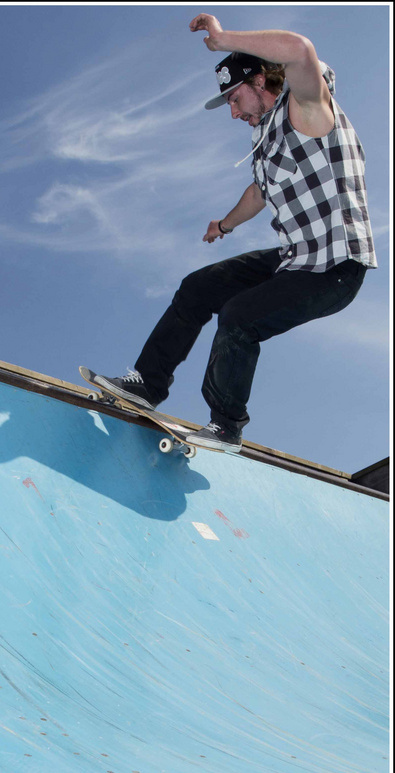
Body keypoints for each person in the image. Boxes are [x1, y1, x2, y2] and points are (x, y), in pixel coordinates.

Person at [92, 13, 377, 453]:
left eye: (235, 98)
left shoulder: (307, 107)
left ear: (260, 81)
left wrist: (224, 39)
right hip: (294, 258)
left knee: (240, 317)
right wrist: (224, 224)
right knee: (198, 288)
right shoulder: (267, 137)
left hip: (334, 266)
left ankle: (227, 426)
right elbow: (258, 193)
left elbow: (301, 50)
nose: (233, 112)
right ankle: (147, 384)